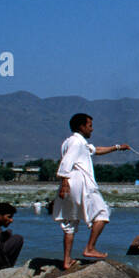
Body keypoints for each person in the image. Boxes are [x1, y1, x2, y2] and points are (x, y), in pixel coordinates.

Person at [55, 113, 129, 269]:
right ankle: (90, 248)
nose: (92, 129)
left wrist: (117, 147)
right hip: (81, 182)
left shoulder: (72, 142)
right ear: (82, 127)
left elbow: (97, 150)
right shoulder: (77, 143)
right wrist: (64, 182)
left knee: (70, 221)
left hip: (70, 182)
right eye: (90, 126)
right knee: (102, 213)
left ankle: (67, 260)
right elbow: (66, 162)